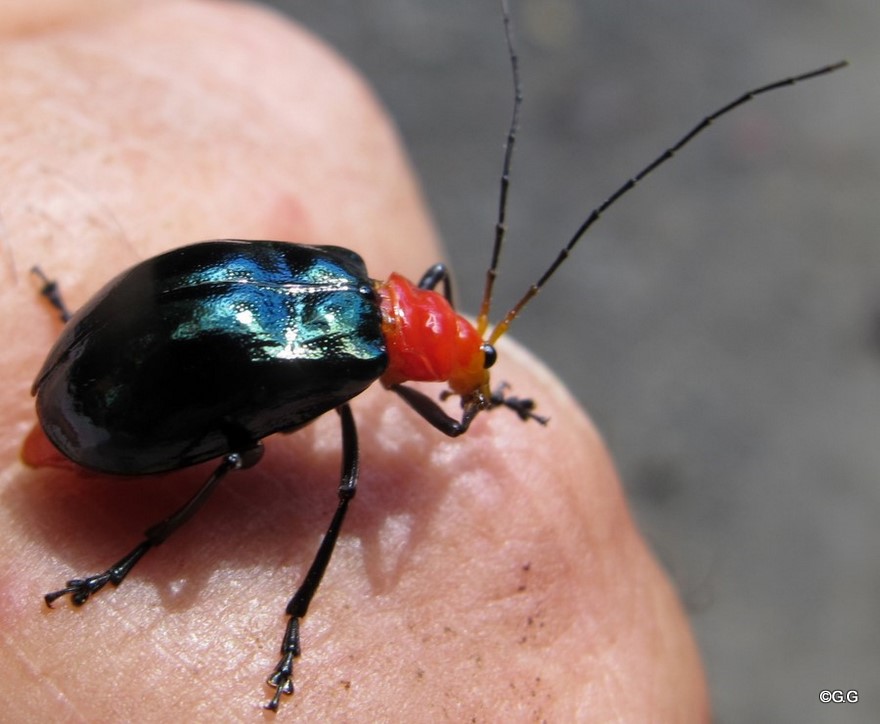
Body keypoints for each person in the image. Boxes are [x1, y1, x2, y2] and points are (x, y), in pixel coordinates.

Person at [0, 1, 708, 719]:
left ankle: (122, 510)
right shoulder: (359, 356)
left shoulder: (349, 275)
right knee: (261, 468)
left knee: (243, 446)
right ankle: (204, 588)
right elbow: (451, 430)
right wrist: (480, 394)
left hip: (118, 354)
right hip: (114, 397)